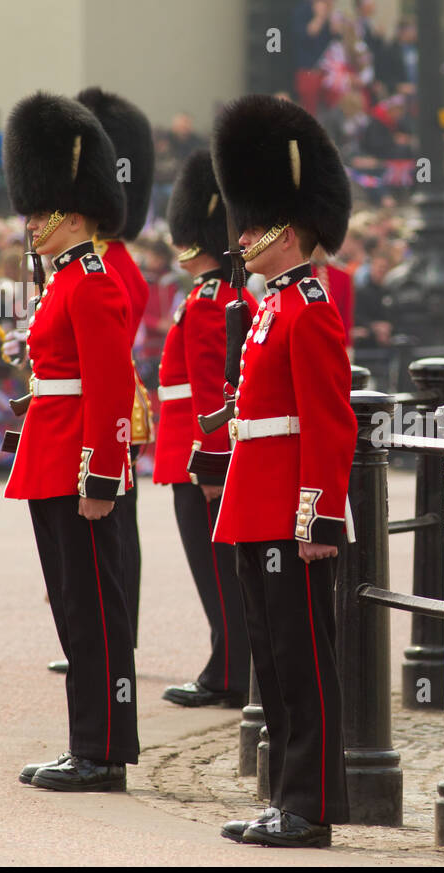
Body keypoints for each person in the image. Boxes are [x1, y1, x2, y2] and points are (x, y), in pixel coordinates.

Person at [210, 93, 356, 848]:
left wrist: (317, 517)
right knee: (273, 660)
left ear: (291, 230)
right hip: (254, 502)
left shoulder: (309, 309)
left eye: (256, 222)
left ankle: (311, 805)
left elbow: (330, 424)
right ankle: (284, 799)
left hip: (289, 515)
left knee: (303, 666)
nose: (242, 235)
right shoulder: (270, 307)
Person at [0, 91, 138, 791]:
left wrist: (102, 476)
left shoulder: (91, 282)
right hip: (49, 454)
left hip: (77, 465)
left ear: (73, 210)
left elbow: (113, 389)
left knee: (94, 614)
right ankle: (88, 742)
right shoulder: (60, 283)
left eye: (39, 208)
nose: (29, 221)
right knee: (72, 611)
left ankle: (104, 751)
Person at [156, 146, 256, 708]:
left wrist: (211, 463)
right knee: (216, 569)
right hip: (191, 454)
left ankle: (228, 672)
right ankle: (226, 662)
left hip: (197, 459)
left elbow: (210, 391)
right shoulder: (215, 295)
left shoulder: (209, 300)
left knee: (217, 570)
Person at [77, 87, 155, 654]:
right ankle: (109, 632)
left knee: (112, 530)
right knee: (113, 529)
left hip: (107, 411)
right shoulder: (111, 258)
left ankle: (114, 634)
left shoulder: (107, 264)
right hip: (112, 407)